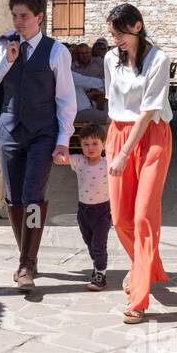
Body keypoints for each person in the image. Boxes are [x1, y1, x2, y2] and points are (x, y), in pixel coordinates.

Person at [0, 0, 76, 290]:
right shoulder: (4, 46)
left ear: (40, 18)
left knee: (33, 196)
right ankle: (27, 256)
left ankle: (26, 265)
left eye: (24, 16)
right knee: (14, 198)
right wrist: (7, 61)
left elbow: (66, 100)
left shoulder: (56, 51)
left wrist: (63, 140)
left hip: (41, 134)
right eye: (15, 16)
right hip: (9, 131)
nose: (18, 22)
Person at [103, 3, 174, 323]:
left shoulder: (158, 60)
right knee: (120, 219)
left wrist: (124, 153)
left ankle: (139, 296)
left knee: (144, 214)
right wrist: (115, 146)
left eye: (120, 33)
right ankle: (146, 266)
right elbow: (114, 103)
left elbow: (148, 110)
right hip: (118, 133)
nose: (115, 39)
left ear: (137, 26)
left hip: (152, 137)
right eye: (112, 34)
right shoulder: (109, 59)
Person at [54, 121, 111, 291]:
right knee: (89, 241)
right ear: (80, 146)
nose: (90, 147)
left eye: (95, 143)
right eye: (85, 144)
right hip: (84, 210)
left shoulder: (107, 163)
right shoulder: (78, 161)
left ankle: (101, 274)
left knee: (98, 244)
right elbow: (62, 159)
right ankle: (97, 266)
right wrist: (58, 156)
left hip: (103, 210)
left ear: (104, 145)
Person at [71, 43, 108, 124]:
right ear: (77, 55)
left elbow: (108, 75)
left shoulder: (99, 63)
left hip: (101, 94)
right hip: (83, 101)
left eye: (86, 53)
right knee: (106, 119)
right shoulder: (72, 68)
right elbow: (84, 81)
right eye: (81, 53)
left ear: (90, 53)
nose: (84, 56)